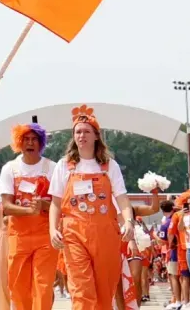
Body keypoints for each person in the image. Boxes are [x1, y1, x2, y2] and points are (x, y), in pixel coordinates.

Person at [47, 106, 136, 310]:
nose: (82, 135)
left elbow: (122, 200)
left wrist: (129, 223)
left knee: (104, 293)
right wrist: (53, 229)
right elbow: (55, 203)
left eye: (86, 131)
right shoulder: (64, 166)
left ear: (96, 136)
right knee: (82, 291)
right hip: (74, 235)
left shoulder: (109, 166)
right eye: (78, 131)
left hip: (106, 235)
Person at [0, 124, 57, 310]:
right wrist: (29, 211)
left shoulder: (52, 168)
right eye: (26, 139)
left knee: (43, 286)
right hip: (19, 237)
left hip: (45, 236)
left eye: (34, 139)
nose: (30, 143)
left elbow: (59, 205)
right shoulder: (10, 168)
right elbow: (6, 206)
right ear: (18, 143)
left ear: (41, 143)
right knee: (18, 286)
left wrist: (43, 206)